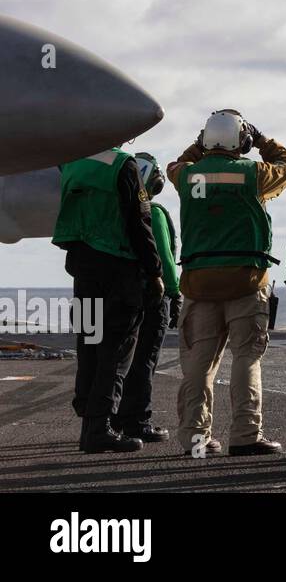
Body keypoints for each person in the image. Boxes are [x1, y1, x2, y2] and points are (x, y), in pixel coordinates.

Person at [168, 109, 286, 458]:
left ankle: (195, 439)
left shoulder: (185, 174)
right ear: (241, 141)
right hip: (246, 278)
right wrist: (262, 139)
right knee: (247, 357)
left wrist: (199, 146)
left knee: (199, 364)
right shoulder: (254, 172)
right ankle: (244, 434)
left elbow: (177, 163)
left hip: (198, 283)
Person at [51, 146, 163, 453]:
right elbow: (140, 223)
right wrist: (155, 272)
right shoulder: (122, 164)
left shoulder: (71, 161)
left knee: (88, 344)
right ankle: (100, 428)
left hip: (82, 271)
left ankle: (89, 424)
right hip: (118, 271)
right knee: (115, 352)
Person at [111, 152, 181, 443]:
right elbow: (163, 258)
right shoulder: (154, 211)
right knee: (145, 360)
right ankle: (138, 421)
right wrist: (175, 295)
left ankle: (112, 417)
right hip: (153, 294)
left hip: (120, 291)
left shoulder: (115, 209)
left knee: (120, 358)